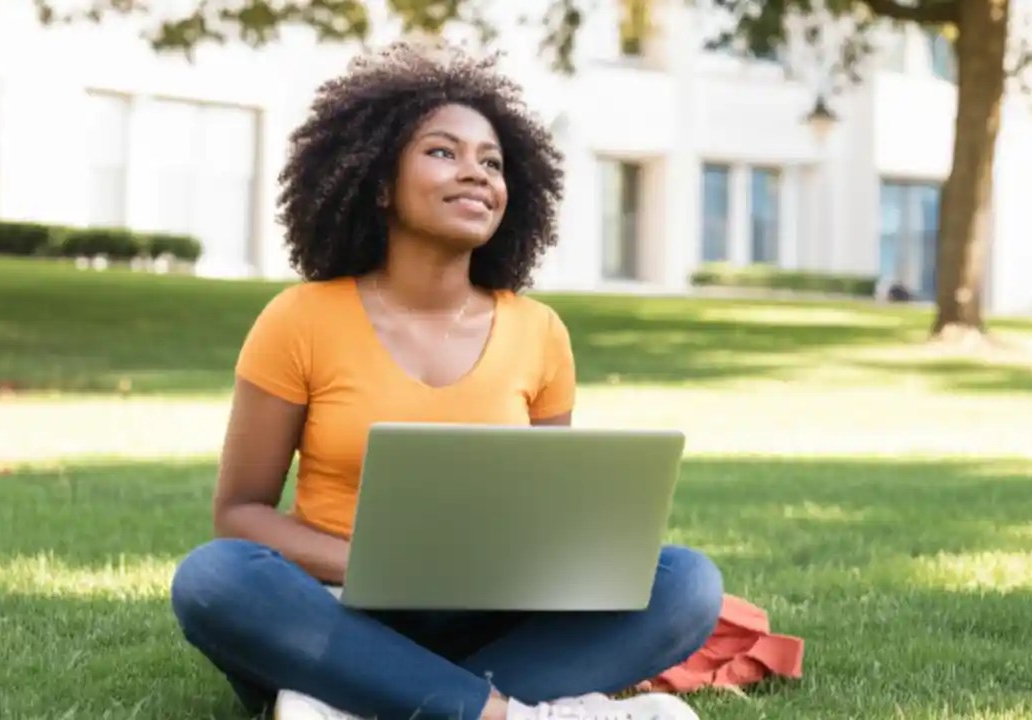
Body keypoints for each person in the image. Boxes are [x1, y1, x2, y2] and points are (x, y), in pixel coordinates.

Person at [169, 40, 725, 720]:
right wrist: (376, 568)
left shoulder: (539, 331)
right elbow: (239, 515)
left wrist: (549, 567)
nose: (476, 174)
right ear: (379, 182)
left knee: (687, 583)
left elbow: (548, 521)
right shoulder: (300, 318)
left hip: (486, 616)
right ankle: (506, 713)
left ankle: (362, 703)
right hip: (340, 612)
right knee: (214, 579)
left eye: (491, 162)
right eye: (443, 152)